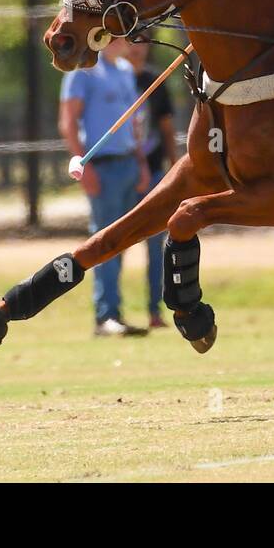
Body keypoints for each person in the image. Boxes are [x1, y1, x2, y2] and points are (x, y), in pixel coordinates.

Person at [59, 36, 151, 336]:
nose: (132, 41)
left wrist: (141, 163)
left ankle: (116, 313)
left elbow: (134, 124)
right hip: (102, 167)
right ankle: (105, 316)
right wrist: (82, 166)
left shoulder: (125, 70)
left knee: (121, 242)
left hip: (128, 164)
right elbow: (68, 121)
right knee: (103, 242)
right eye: (126, 35)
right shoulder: (83, 71)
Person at [125, 40, 181, 329]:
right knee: (114, 241)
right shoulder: (115, 78)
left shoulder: (155, 80)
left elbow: (166, 126)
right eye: (130, 43)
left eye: (141, 44)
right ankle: (110, 313)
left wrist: (175, 167)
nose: (136, 49)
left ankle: (155, 310)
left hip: (155, 171)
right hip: (123, 170)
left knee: (156, 245)